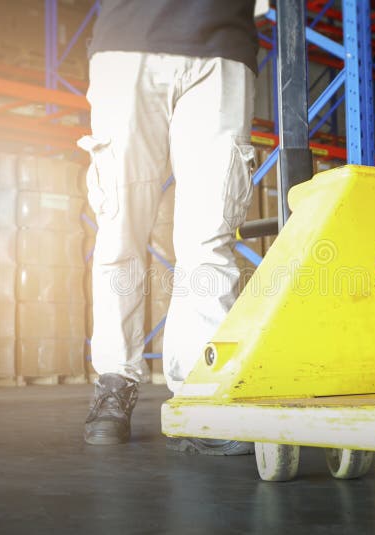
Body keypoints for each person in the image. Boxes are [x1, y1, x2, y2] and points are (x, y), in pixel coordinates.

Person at [77, 0, 259, 453]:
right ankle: (115, 378)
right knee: (120, 230)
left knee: (208, 238)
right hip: (129, 41)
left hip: (222, 47)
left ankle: (199, 394)